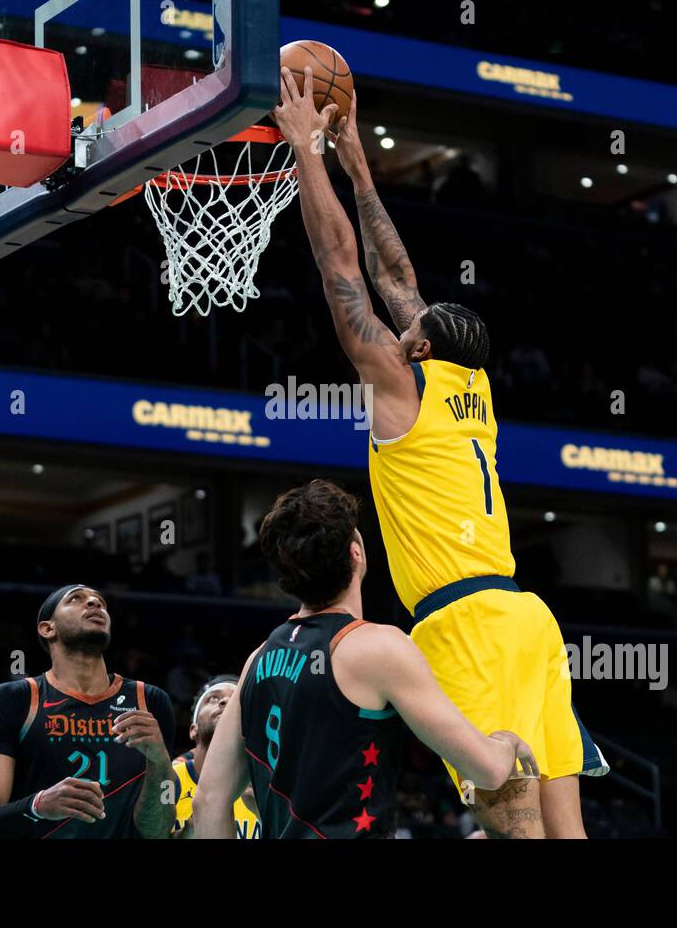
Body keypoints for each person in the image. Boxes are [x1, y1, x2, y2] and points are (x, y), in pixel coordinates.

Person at [271, 71, 605, 838]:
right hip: (526, 618)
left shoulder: (402, 385)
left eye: (411, 324)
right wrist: (357, 163)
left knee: (511, 814)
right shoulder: (469, 389)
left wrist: (306, 154)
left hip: (467, 622)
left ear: (415, 344)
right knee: (566, 828)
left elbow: (345, 272)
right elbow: (394, 277)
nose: (404, 319)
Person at [194, 480, 536, 839]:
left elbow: (209, 800)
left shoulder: (258, 660)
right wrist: (506, 742)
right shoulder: (377, 647)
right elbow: (488, 770)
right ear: (356, 552)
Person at [0, 584, 176, 838]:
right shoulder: (15, 699)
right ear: (47, 628)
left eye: (100, 602)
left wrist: (159, 760)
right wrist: (38, 806)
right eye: (76, 599)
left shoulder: (150, 701)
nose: (94, 604)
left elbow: (157, 831)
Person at [170, 675, 260, 839]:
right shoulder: (170, 779)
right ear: (193, 729)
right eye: (213, 699)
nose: (225, 702)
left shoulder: (264, 784)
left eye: (235, 702)